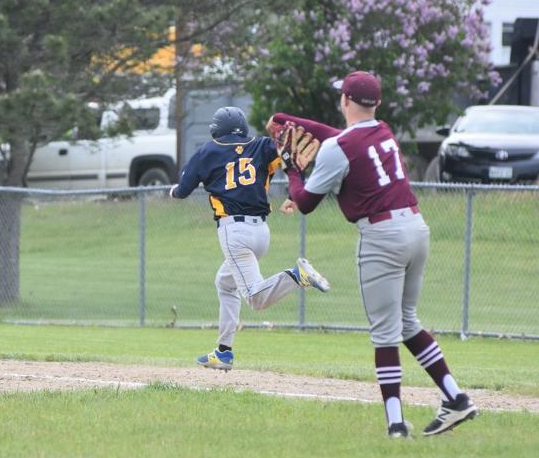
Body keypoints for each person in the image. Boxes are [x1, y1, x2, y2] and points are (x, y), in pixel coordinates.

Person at [269, 71, 477, 437]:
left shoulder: (340, 147)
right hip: (416, 227)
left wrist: (291, 168)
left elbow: (305, 203)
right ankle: (456, 399)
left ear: (345, 101)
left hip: (382, 236)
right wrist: (292, 121)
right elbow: (336, 137)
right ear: (376, 103)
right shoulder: (383, 132)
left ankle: (396, 424)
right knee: (407, 321)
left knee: (385, 332)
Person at [169, 107, 330, 371]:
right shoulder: (263, 146)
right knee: (224, 282)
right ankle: (223, 352)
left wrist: (172, 191)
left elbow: (184, 190)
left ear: (215, 130)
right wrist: (295, 189)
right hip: (261, 234)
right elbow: (291, 162)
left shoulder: (207, 151)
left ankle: (297, 275)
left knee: (256, 298)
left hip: (234, 232)